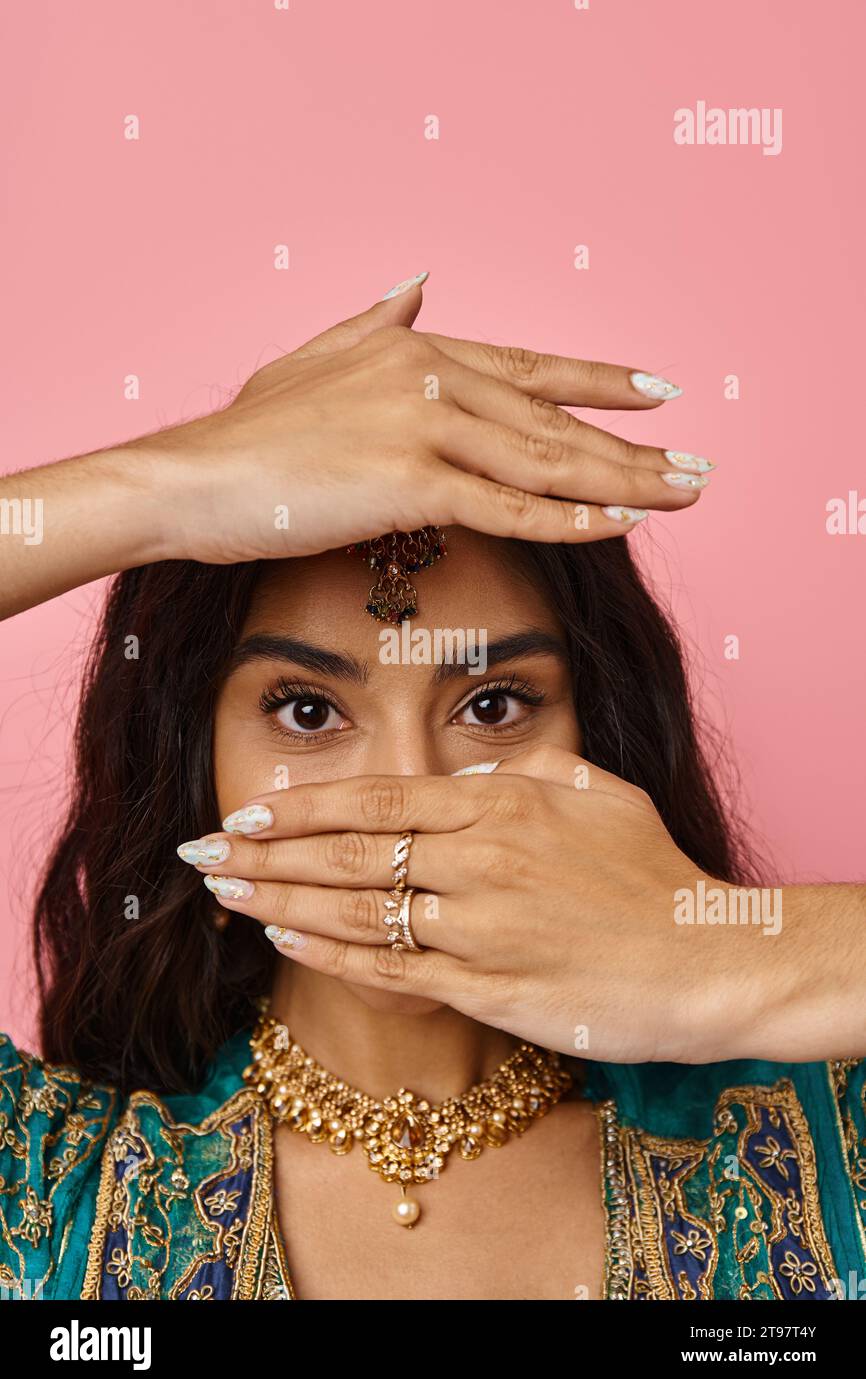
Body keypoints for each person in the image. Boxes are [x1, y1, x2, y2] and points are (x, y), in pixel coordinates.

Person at [1, 276, 863, 1300]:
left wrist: (724, 953)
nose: (407, 793)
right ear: (195, 765)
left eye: (493, 705)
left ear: (603, 743)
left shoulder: (822, 1154)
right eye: (307, 711)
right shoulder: (54, 1192)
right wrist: (169, 488)